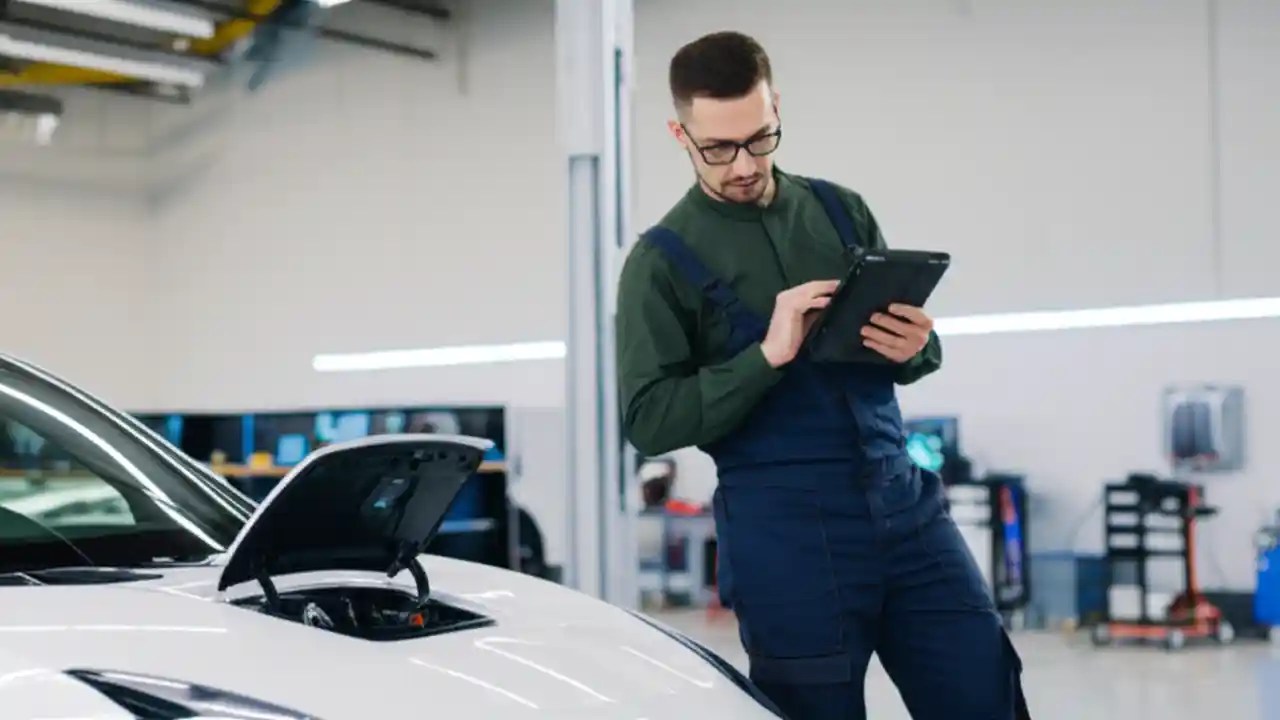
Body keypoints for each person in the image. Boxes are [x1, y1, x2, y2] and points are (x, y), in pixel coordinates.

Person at [615, 31, 1030, 720]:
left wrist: (917, 346)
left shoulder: (842, 212)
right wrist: (764, 357)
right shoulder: (659, 264)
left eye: (760, 139)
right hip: (787, 538)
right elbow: (648, 420)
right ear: (679, 134)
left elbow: (910, 351)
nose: (744, 164)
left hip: (905, 505)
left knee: (983, 689)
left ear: (776, 106)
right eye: (718, 149)